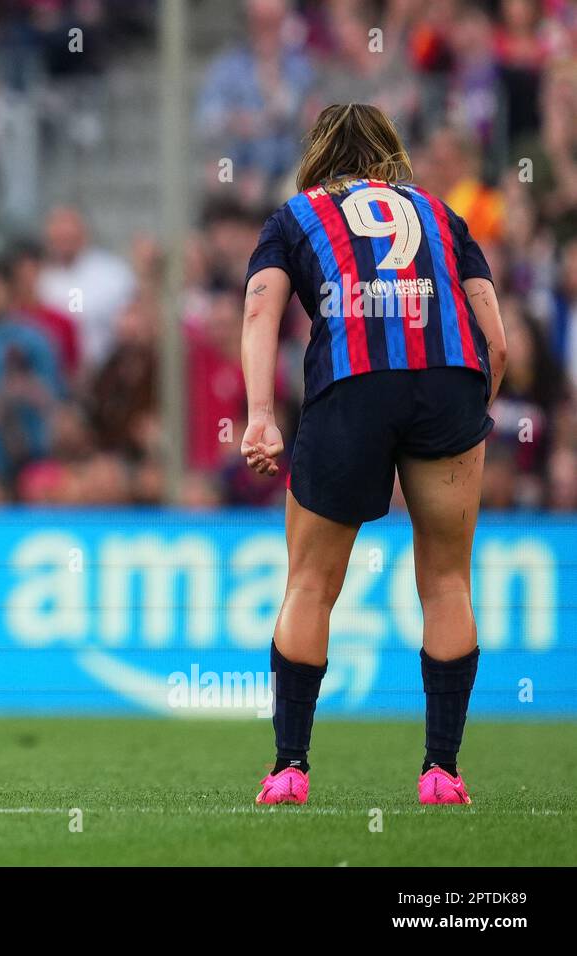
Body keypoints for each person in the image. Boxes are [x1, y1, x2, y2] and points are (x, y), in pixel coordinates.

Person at [241, 104, 508, 806]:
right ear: (390, 154)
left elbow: (259, 314)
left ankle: (290, 770)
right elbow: (498, 340)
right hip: (450, 376)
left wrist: (261, 417)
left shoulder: (296, 216)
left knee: (309, 584)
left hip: (352, 383)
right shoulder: (441, 214)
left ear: (319, 155)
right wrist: (471, 413)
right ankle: (441, 774)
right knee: (448, 581)